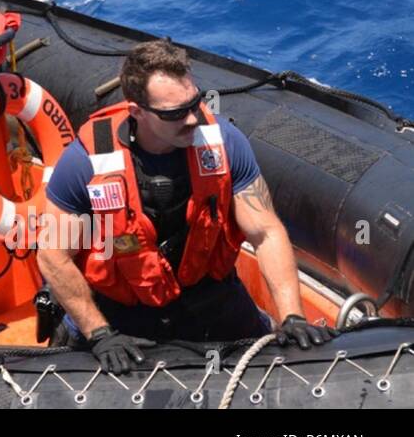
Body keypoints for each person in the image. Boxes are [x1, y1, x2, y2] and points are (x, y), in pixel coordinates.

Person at [36, 40, 335, 373]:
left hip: (209, 300)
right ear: (137, 112)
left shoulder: (224, 143)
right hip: (122, 316)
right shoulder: (85, 163)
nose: (193, 118)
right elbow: (52, 255)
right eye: (175, 113)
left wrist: (292, 315)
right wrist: (99, 333)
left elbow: (266, 232)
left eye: (195, 102)